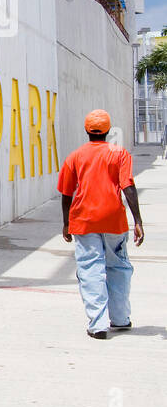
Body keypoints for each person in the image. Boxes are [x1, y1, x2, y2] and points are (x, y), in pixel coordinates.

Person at [58, 110, 145, 339]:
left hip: (84, 220)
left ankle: (98, 325)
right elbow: (128, 186)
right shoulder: (119, 154)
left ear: (86, 130)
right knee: (118, 267)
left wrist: (66, 223)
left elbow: (67, 193)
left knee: (90, 269)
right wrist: (138, 220)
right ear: (107, 131)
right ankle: (120, 318)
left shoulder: (75, 156)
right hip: (113, 220)